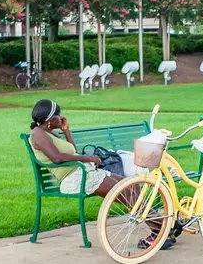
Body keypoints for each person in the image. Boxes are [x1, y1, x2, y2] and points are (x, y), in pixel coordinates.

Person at [29, 99, 174, 250]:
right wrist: (89, 158)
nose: (61, 117)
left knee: (132, 187)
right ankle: (162, 231)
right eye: (58, 115)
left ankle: (162, 229)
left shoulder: (49, 133)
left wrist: (66, 130)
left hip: (84, 172)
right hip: (75, 178)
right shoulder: (38, 134)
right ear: (50, 119)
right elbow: (57, 158)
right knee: (127, 192)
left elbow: (73, 151)